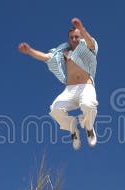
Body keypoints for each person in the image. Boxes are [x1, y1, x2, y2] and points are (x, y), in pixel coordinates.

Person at [18, 17, 99, 150]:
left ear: (81, 37)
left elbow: (91, 43)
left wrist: (82, 29)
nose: (74, 39)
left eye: (77, 37)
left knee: (88, 105)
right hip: (70, 89)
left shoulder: (87, 48)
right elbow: (46, 57)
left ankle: (89, 128)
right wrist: (29, 51)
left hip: (86, 86)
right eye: (72, 37)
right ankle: (73, 129)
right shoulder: (62, 52)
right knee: (54, 110)